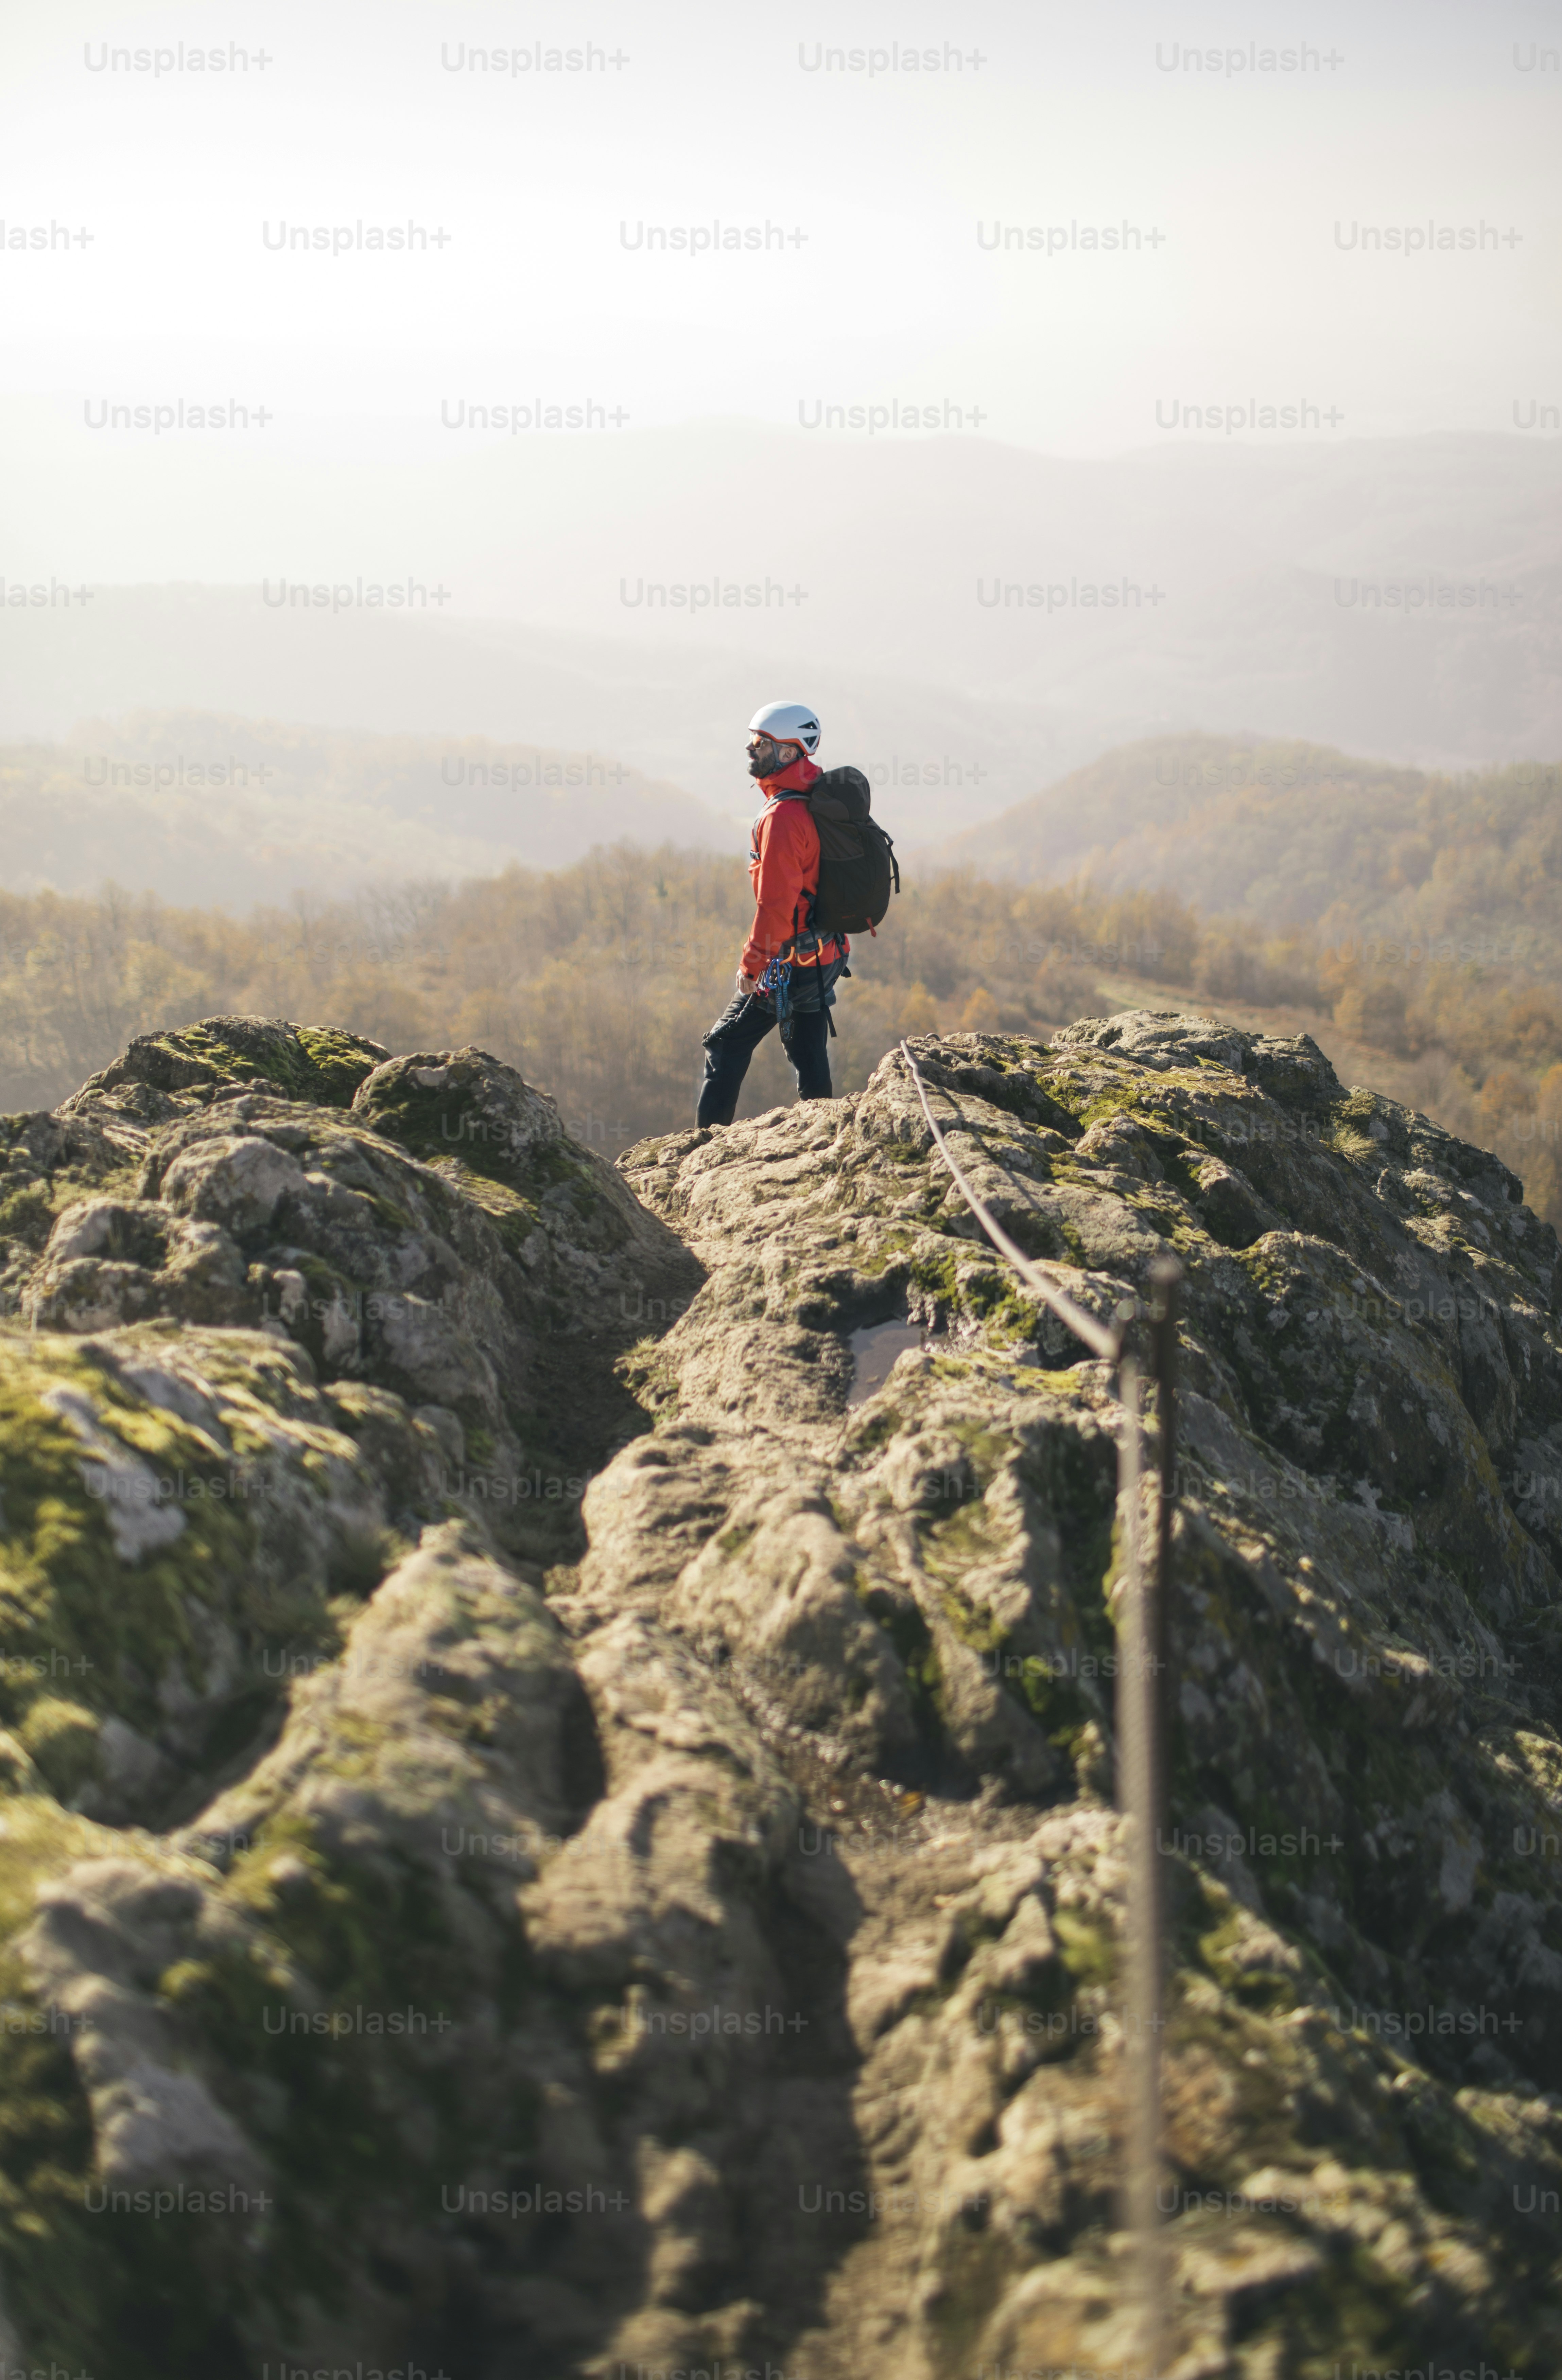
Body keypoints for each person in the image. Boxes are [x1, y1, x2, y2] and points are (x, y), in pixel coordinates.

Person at [696, 700, 850, 1127]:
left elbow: (775, 906)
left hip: (789, 960)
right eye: (751, 740)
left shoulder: (783, 816)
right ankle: (825, 1129)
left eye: (760, 742)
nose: (750, 749)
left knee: (725, 1046)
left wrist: (752, 965)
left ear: (789, 753)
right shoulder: (819, 794)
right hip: (828, 952)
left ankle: (704, 1150)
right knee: (808, 1050)